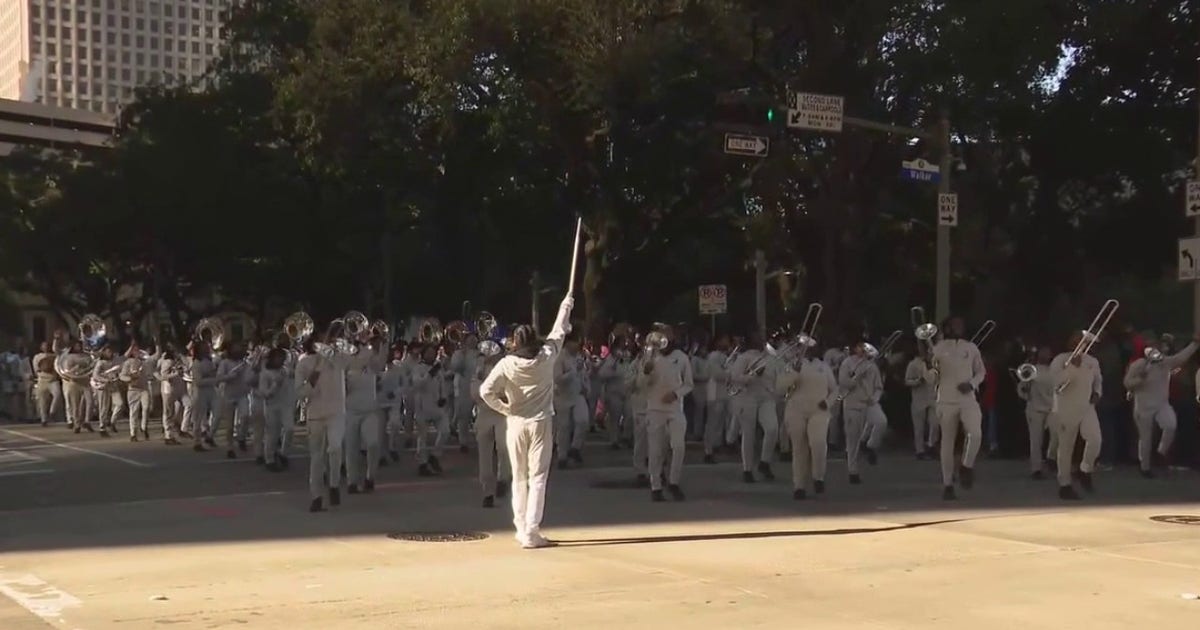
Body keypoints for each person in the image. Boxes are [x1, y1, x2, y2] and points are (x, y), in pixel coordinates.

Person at [478, 295, 574, 549]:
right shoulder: (546, 356)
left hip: (516, 423)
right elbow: (557, 332)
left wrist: (505, 408)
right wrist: (565, 306)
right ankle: (532, 530)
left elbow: (485, 391)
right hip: (540, 422)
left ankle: (521, 528)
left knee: (519, 476)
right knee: (538, 477)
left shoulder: (507, 364)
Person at [294, 327, 355, 512]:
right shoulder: (304, 362)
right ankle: (316, 496)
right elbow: (300, 392)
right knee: (317, 457)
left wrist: (349, 340)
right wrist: (317, 370)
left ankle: (334, 483)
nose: (326, 343)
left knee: (335, 447)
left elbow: (354, 357)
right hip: (315, 414)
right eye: (322, 340)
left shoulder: (338, 358)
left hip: (336, 412)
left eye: (328, 340)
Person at [925, 316, 985, 500]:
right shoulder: (938, 348)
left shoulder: (971, 348)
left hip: (968, 399)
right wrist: (927, 365)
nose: (959, 326)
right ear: (947, 328)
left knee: (975, 434)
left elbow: (981, 372)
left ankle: (967, 466)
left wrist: (972, 384)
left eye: (961, 324)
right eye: (955, 324)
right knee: (947, 442)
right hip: (946, 400)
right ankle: (947, 484)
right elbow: (931, 378)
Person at [1124, 332, 1199, 477]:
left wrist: (1195, 344)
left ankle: (1161, 452)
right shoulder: (1138, 365)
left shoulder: (1165, 362)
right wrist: (1140, 379)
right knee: (1145, 438)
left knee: (1170, 424)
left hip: (1161, 403)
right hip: (1143, 407)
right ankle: (1145, 467)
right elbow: (1127, 383)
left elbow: (1181, 358)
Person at [636, 324, 693, 502]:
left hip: (675, 409)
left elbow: (688, 384)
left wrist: (676, 394)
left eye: (667, 335)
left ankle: (674, 482)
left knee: (678, 446)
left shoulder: (681, 357)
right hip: (654, 409)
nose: (664, 339)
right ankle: (656, 486)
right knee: (656, 450)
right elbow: (641, 384)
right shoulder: (649, 357)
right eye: (660, 335)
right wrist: (646, 373)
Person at [776, 345, 837, 499]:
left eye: (812, 346)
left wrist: (828, 402)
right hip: (796, 410)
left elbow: (834, 389)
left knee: (818, 443)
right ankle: (799, 486)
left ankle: (818, 477)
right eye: (805, 347)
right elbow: (780, 388)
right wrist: (794, 373)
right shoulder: (792, 365)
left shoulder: (824, 367)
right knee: (799, 448)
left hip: (819, 410)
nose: (809, 349)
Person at [1051, 331, 1105, 499]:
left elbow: (1098, 380)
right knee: (1066, 447)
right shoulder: (1061, 359)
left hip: (1087, 406)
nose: (1080, 344)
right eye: (1076, 341)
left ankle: (1085, 470)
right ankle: (1064, 485)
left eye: (1083, 341)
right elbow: (1056, 381)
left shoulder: (1092, 361)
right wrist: (1072, 367)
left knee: (1095, 439)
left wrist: (1097, 392)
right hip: (1066, 407)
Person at [729, 332, 779, 483]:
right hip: (747, 397)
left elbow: (778, 375)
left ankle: (764, 462)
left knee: (772, 428)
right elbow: (735, 377)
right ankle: (747, 469)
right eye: (758, 339)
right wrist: (753, 376)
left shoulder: (770, 357)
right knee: (748, 433)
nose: (762, 341)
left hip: (766, 397)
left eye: (763, 339)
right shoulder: (744, 357)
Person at [837, 341, 883, 483]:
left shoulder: (872, 365)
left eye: (865, 347)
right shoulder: (847, 363)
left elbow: (878, 386)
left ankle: (869, 445)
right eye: (860, 347)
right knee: (852, 438)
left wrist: (874, 398)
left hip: (869, 403)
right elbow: (843, 382)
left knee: (881, 422)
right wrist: (856, 378)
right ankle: (853, 470)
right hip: (853, 404)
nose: (862, 350)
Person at [471, 341, 510, 507]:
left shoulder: (507, 369)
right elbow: (475, 393)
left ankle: (503, 478)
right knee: (484, 455)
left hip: (502, 414)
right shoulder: (480, 371)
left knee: (504, 448)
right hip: (485, 414)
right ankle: (487, 491)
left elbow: (511, 392)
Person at [1016, 345, 1055, 479]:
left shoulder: (1054, 370)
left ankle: (1052, 459)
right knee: (1036, 440)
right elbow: (1021, 388)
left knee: (1056, 436)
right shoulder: (1031, 370)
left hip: (1052, 409)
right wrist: (1026, 393)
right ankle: (1036, 469)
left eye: (1047, 353)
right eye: (1043, 352)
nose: (1045, 355)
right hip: (1034, 409)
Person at [553, 335, 589, 468]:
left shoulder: (579, 357)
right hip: (563, 396)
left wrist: (586, 387)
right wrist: (572, 373)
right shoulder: (560, 357)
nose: (576, 345)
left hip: (578, 394)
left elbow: (583, 374)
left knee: (583, 420)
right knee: (564, 427)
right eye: (574, 341)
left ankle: (575, 448)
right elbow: (557, 379)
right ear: (567, 343)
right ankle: (562, 456)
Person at [905, 341, 936, 459]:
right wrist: (918, 381)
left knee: (935, 423)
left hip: (933, 398)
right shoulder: (913, 364)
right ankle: (920, 451)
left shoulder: (935, 364)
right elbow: (907, 381)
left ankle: (931, 445)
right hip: (919, 399)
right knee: (919, 427)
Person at [449, 333, 480, 452]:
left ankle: (482, 439)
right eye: (470, 339)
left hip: (479, 386)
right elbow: (455, 367)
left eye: (474, 339)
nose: (472, 341)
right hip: (464, 387)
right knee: (464, 415)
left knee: (481, 414)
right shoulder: (459, 353)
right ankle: (463, 442)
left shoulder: (480, 353)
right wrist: (462, 355)